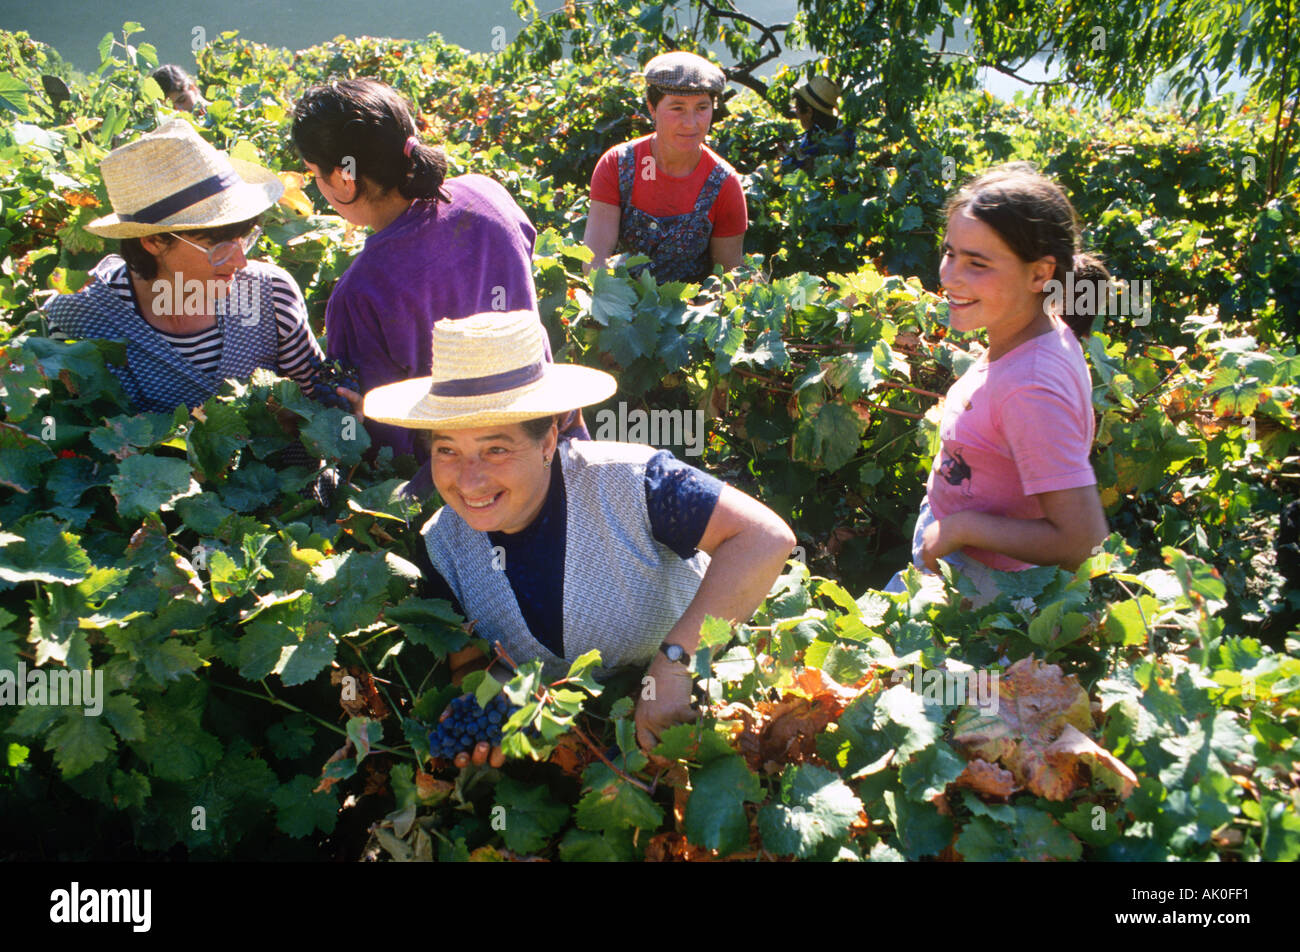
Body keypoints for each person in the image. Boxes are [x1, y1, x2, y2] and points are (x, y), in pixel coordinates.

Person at [364, 310, 796, 757]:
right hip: (595, 753)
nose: (469, 481)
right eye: (447, 450)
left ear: (548, 441)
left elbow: (764, 538)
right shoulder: (442, 545)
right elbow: (474, 663)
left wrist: (676, 664)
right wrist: (498, 709)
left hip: (713, 704)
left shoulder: (633, 481)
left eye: (496, 449)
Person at [290, 78, 580, 474]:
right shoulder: (487, 194)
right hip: (555, 437)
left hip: (470, 485)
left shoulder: (360, 292)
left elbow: (391, 437)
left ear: (345, 178)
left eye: (314, 174)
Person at [888, 163, 1109, 600]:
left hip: (980, 582)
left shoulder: (1030, 389)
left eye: (978, 263)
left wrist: (959, 529)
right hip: (958, 549)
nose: (949, 276)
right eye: (951, 253)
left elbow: (1084, 543)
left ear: (1038, 275)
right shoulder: (1033, 331)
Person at [44, 119, 332, 415]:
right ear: (154, 241)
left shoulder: (271, 292)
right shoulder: (78, 322)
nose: (240, 261)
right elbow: (80, 434)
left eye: (243, 239)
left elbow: (321, 404)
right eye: (219, 246)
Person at [583, 50, 748, 282]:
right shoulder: (617, 165)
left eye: (702, 108)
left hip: (693, 311)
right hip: (619, 301)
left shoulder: (724, 185)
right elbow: (594, 261)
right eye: (677, 108)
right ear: (652, 107)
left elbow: (728, 278)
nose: (691, 123)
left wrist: (698, 310)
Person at [778, 75, 855, 175]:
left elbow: (795, 165)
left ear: (809, 112)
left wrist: (789, 156)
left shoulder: (824, 142)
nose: (796, 113)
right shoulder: (844, 130)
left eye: (797, 108)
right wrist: (790, 151)